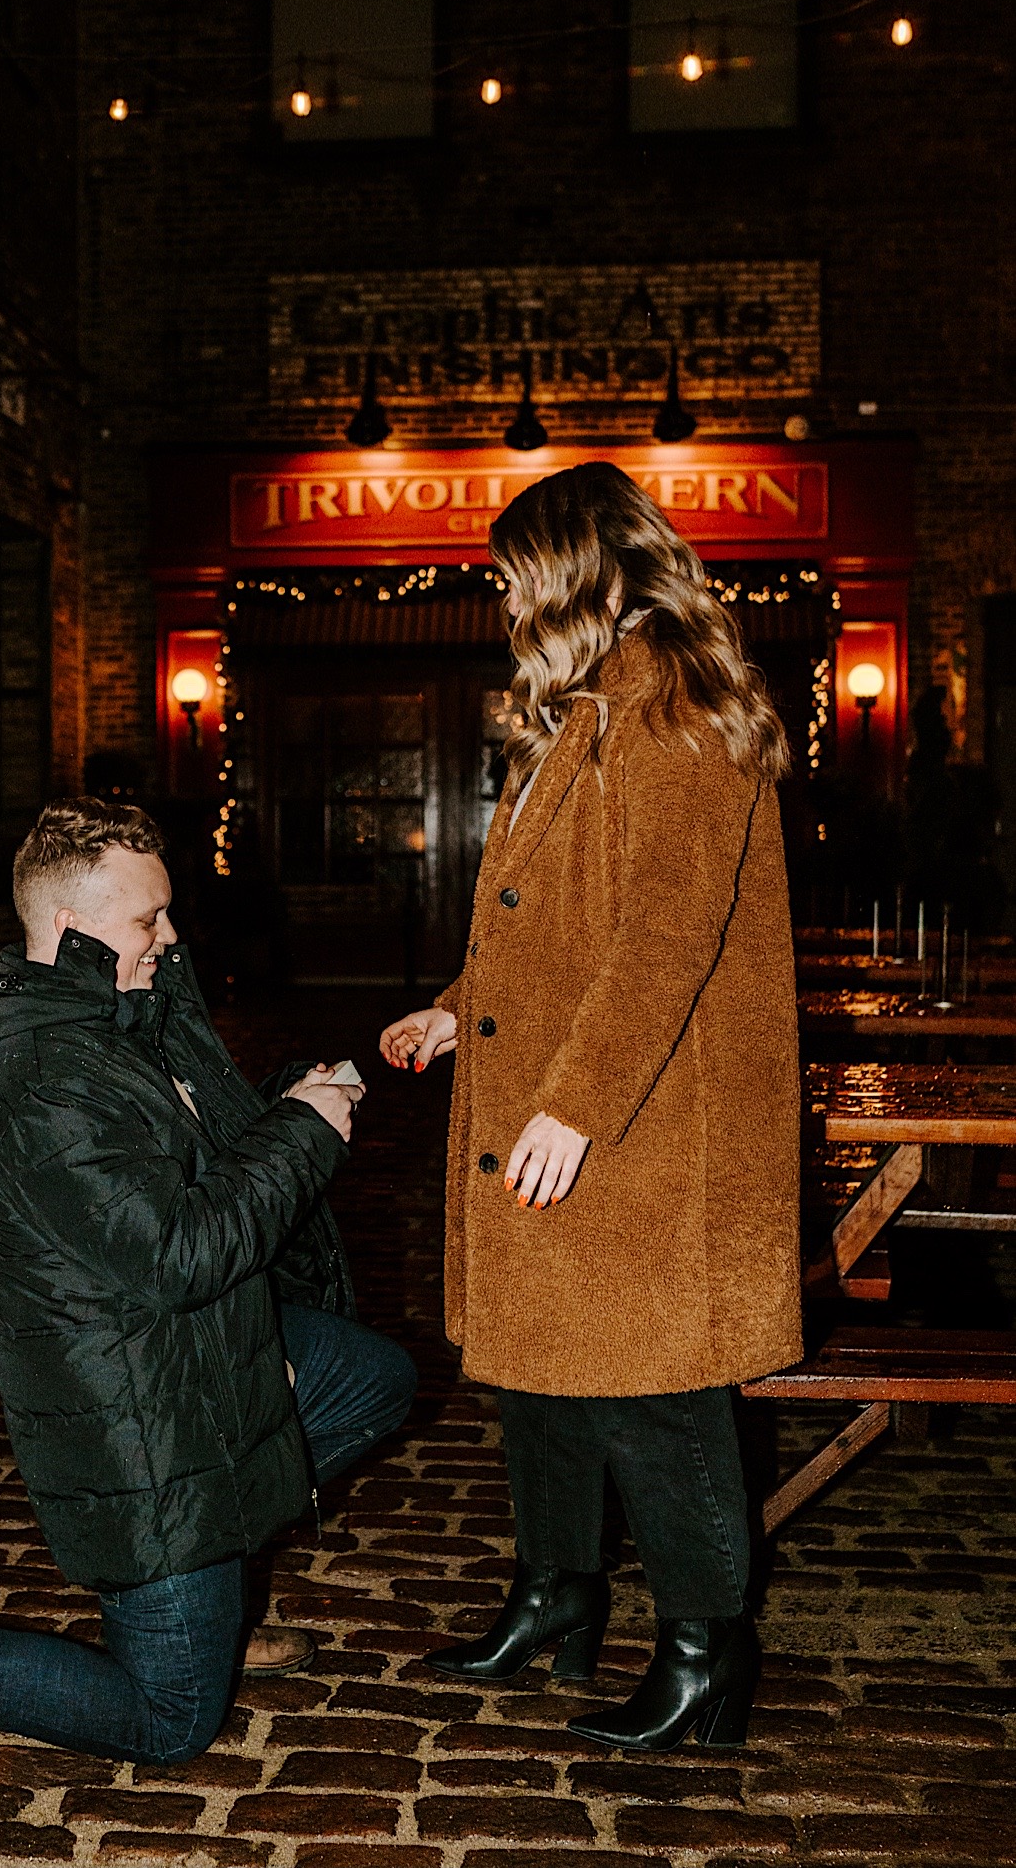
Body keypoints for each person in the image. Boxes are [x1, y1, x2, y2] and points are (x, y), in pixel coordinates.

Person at [0, 796, 415, 1803]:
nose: (171, 935)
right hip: (138, 1419)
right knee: (172, 1720)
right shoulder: (41, 1077)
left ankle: (208, 1602)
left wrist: (289, 1100)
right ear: (71, 927)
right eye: (148, 918)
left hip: (190, 1351)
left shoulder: (114, 1014)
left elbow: (186, 1172)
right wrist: (304, 1135)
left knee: (368, 1377)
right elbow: (180, 1253)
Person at [380, 462, 801, 1752]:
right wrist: (457, 1005)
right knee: (543, 1372)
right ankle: (555, 1592)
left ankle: (707, 1651)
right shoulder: (595, 703)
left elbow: (666, 935)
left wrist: (577, 1103)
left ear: (581, 574)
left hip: (649, 1118)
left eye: (518, 574)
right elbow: (555, 921)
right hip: (576, 1095)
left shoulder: (672, 701)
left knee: (655, 1390)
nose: (506, 598)